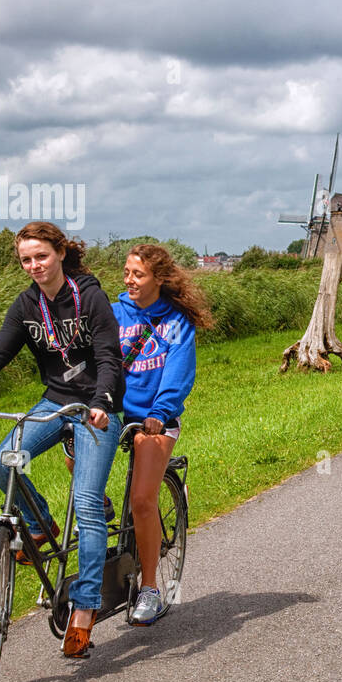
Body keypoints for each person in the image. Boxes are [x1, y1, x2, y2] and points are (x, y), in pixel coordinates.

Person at [0, 221, 123, 659]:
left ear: (60, 253)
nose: (34, 265)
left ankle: (85, 607)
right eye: (26, 259)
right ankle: (41, 526)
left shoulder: (90, 297)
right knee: (2, 462)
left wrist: (101, 401)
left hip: (97, 409)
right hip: (53, 402)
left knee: (86, 502)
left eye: (41, 256)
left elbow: (108, 355)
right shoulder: (26, 304)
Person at [114, 244, 213, 625]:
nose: (129, 280)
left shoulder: (176, 321)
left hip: (156, 418)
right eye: (126, 272)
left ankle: (150, 589)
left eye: (137, 274)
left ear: (158, 279)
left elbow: (178, 374)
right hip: (115, 413)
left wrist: (159, 413)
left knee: (142, 500)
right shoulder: (114, 312)